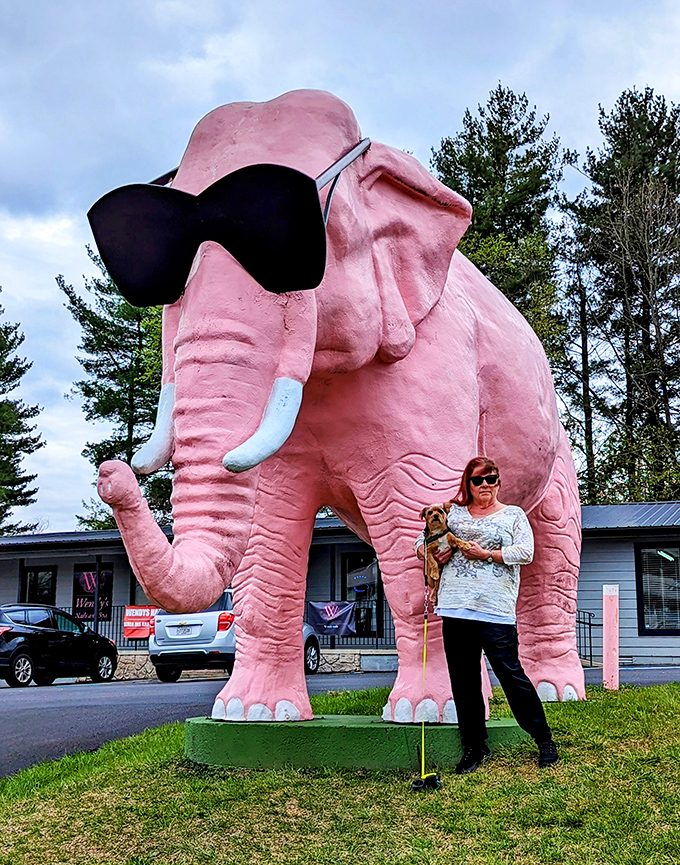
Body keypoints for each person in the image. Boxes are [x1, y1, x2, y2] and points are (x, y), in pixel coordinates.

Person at [415, 456, 559, 774]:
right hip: (455, 609)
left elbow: (526, 551)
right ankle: (475, 747)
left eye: (490, 479)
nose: (484, 486)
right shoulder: (453, 511)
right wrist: (436, 551)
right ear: (467, 483)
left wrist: (488, 554)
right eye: (478, 480)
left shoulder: (513, 515)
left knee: (511, 675)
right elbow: (420, 540)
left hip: (495, 611)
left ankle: (544, 739)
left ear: (498, 482)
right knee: (464, 683)